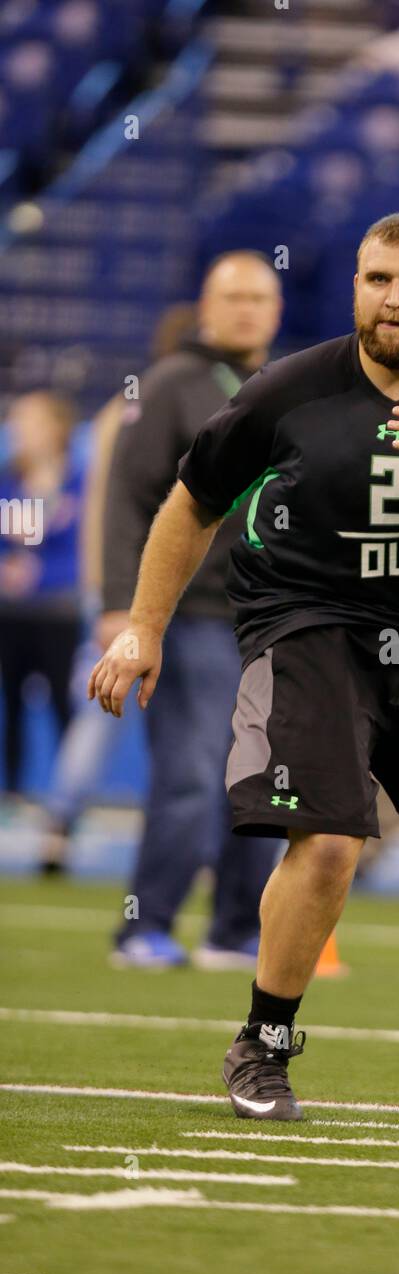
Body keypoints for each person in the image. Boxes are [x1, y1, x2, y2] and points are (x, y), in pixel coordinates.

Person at [89, 209, 399, 1121]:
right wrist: (143, 628)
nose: (394, 300)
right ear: (355, 284)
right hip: (309, 626)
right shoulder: (289, 388)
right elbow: (190, 501)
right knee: (328, 843)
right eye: (377, 279)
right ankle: (264, 1040)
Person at [99, 252, 284, 969]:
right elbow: (126, 502)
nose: (246, 309)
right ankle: (143, 928)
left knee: (267, 778)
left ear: (275, 308)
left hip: (268, 616)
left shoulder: (280, 385)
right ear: (206, 306)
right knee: (190, 774)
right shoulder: (169, 383)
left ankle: (236, 932)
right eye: (233, 296)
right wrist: (125, 608)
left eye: (260, 297)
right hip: (193, 613)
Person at [38, 304, 199, 875]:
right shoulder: (154, 404)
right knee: (109, 712)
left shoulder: (127, 406)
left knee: (155, 720)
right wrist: (111, 600)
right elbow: (109, 512)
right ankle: (59, 818)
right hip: (137, 591)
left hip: (145, 590)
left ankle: (66, 823)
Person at [0, 392, 82, 795]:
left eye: (29, 421)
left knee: (62, 706)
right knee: (11, 704)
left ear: (56, 427)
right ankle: (13, 793)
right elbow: (16, 541)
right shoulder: (7, 477)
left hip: (59, 612)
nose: (18, 430)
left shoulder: (79, 478)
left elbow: (75, 550)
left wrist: (38, 572)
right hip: (12, 613)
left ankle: (66, 801)